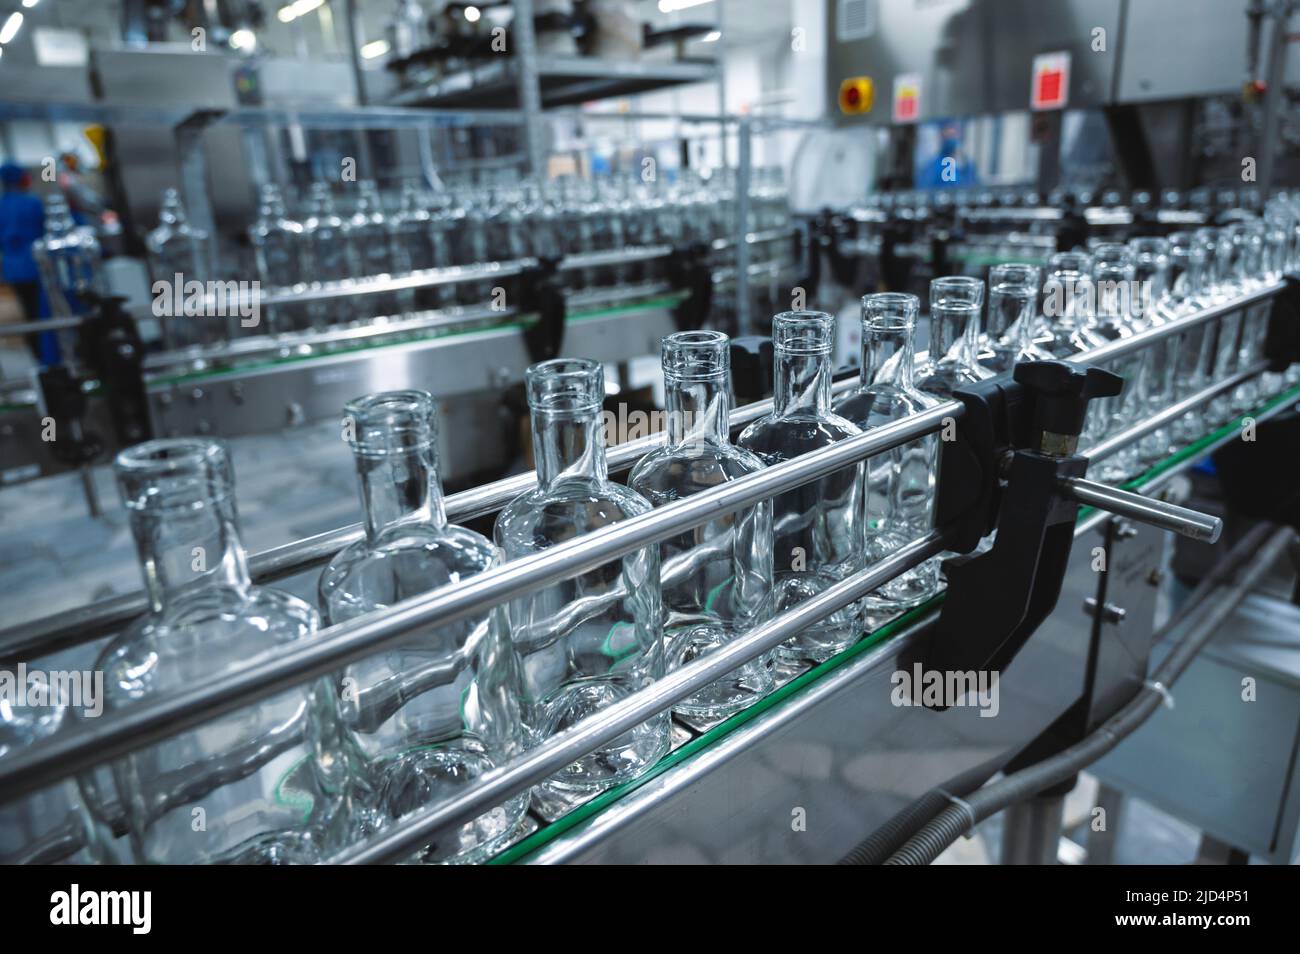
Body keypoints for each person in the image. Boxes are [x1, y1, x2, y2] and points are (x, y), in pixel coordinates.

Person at [0, 161, 46, 347]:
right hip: (37, 264)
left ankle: (37, 351)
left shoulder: (2, 206)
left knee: (28, 309)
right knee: (43, 311)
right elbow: (44, 230)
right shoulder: (32, 202)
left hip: (13, 268)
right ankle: (49, 353)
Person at [917, 121, 978, 189]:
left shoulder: (968, 165)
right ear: (941, 136)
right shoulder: (933, 167)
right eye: (947, 132)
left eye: (954, 132)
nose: (951, 135)